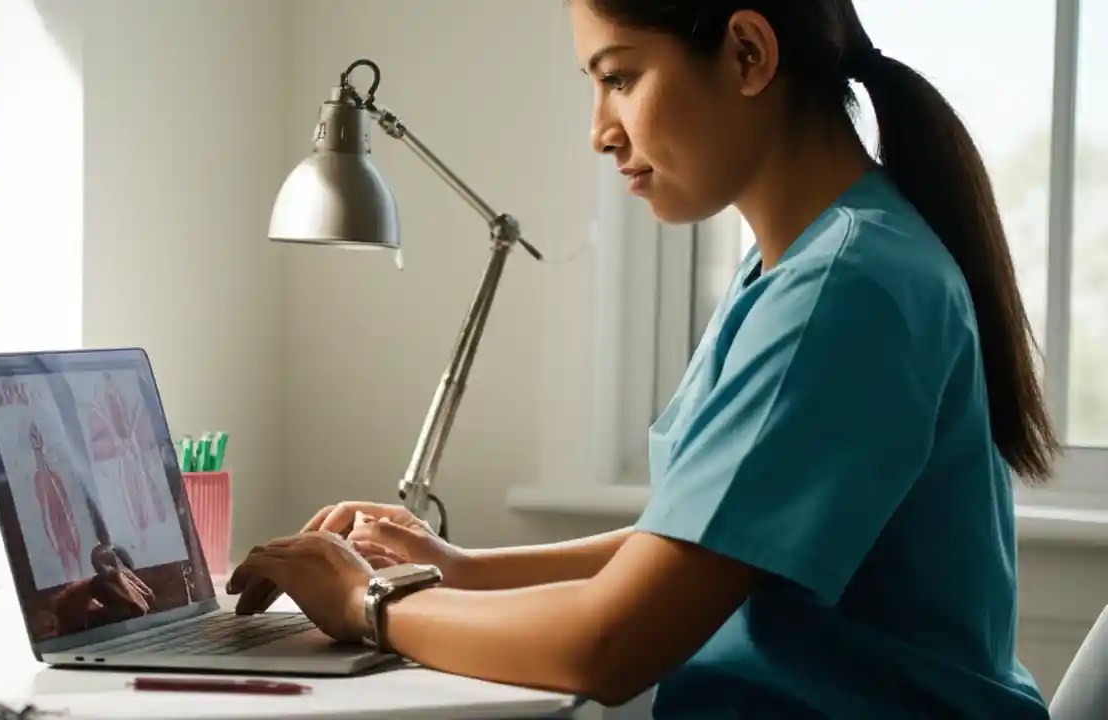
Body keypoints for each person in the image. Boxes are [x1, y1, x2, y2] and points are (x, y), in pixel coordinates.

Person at [226, 1, 1059, 716]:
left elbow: (613, 644)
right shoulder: (802, 266)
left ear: (747, 54)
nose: (599, 130)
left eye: (619, 77)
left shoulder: (847, 287)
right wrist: (457, 568)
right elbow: (695, 544)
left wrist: (364, 601)